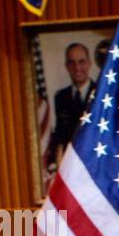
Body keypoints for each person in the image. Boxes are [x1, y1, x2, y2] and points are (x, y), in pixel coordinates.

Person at [46, 42, 97, 172]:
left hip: (96, 164)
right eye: (72, 63)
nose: (77, 67)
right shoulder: (61, 97)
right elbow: (60, 132)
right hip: (72, 165)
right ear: (66, 66)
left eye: (81, 62)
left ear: (89, 63)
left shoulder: (101, 93)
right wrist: (52, 161)